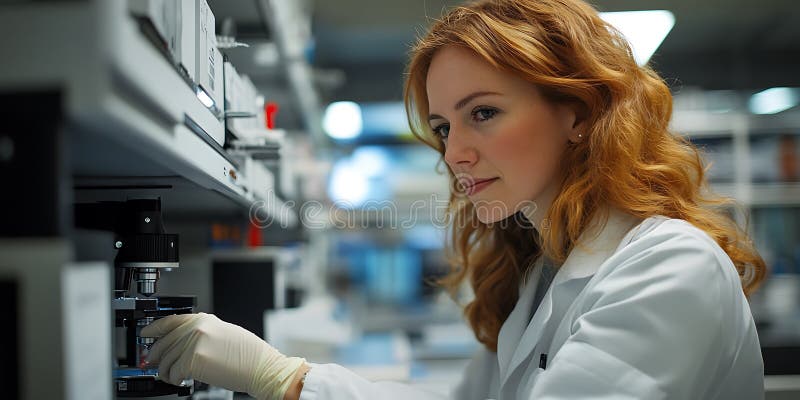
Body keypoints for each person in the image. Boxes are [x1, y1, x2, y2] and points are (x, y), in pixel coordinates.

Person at [141, 0, 768, 399]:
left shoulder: (669, 267)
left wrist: (289, 381)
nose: (455, 153)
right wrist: (285, 375)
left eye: (484, 113)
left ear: (576, 112)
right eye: (444, 127)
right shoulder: (543, 273)